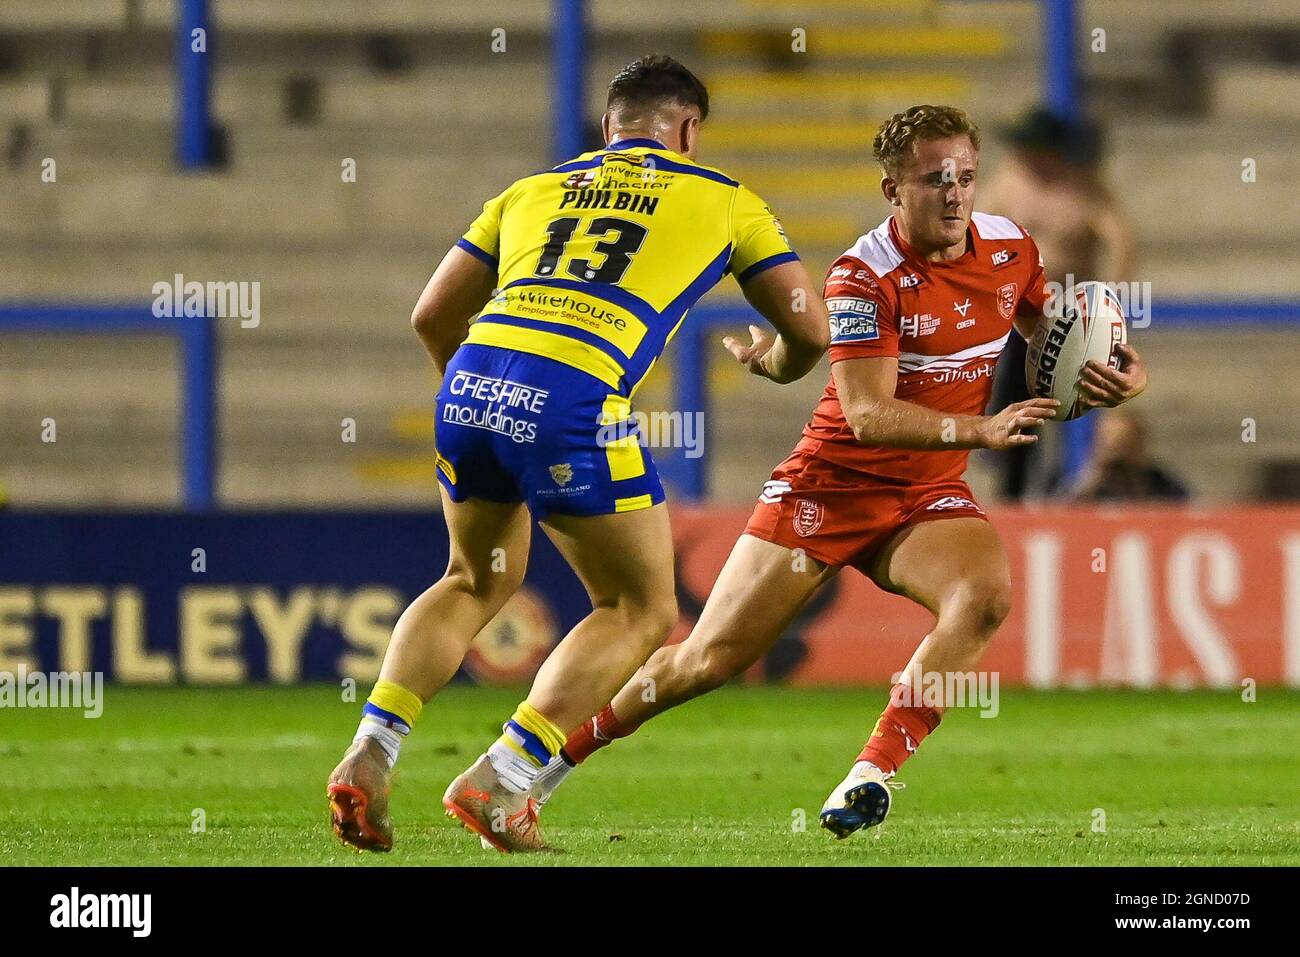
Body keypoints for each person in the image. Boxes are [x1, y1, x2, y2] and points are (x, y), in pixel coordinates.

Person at [525, 104, 1149, 842]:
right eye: (933, 179)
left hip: (925, 492)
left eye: (966, 177)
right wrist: (979, 429)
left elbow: (1046, 328)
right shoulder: (863, 275)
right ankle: (538, 770)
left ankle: (872, 771)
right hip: (828, 488)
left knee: (982, 597)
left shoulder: (1011, 248)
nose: (954, 193)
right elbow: (866, 415)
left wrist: (1114, 372)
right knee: (706, 660)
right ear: (893, 191)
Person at [324, 54, 829, 853]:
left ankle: (373, 747)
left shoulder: (531, 190)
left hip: (472, 380)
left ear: (608, 127)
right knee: (640, 609)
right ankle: (502, 778)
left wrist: (484, 401)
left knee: (471, 577)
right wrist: (773, 362)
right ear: (689, 129)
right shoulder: (728, 201)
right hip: (573, 397)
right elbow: (810, 332)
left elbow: (430, 316)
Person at [980, 106, 1138, 498]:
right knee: (1020, 398)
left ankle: (1083, 484)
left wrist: (1109, 296)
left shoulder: (1085, 192)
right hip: (1024, 311)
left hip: (1073, 312)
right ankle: (1013, 490)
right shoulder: (1008, 185)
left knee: (1078, 400)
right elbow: (972, 235)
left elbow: (1121, 242)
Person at [1070, 407, 1187, 501]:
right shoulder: (1083, 485)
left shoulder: (1162, 485)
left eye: (1123, 442)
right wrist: (1090, 480)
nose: (1116, 452)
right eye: (1107, 442)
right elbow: (1059, 515)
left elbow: (1184, 511)